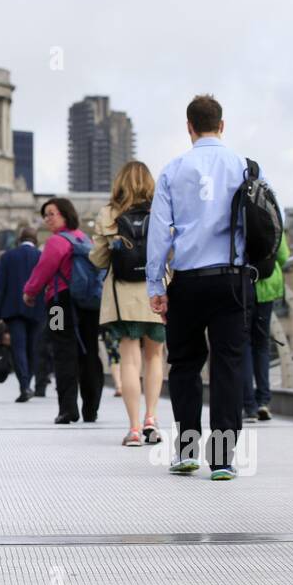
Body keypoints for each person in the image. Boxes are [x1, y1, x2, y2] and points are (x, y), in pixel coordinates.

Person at [147, 95, 263, 480]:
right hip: (233, 279)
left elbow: (159, 234)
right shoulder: (247, 168)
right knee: (228, 365)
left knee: (184, 364)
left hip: (188, 282)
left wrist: (155, 285)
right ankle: (223, 458)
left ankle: (185, 450)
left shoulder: (173, 170)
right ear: (222, 125)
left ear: (189, 127)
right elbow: (265, 222)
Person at [91, 162, 167, 447]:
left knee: (129, 360)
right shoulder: (160, 210)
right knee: (154, 357)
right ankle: (151, 418)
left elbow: (98, 259)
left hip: (122, 294)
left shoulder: (109, 214)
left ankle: (134, 428)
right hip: (156, 292)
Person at [23, 197, 104, 425]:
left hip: (59, 303)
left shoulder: (56, 242)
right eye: (45, 215)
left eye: (51, 214)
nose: (47, 219)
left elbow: (43, 271)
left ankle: (68, 409)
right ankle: (91, 408)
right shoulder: (83, 238)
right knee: (89, 351)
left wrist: (29, 292)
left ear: (65, 214)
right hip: (88, 304)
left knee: (62, 351)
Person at [0, 227, 45, 402]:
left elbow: (0, 288)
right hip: (38, 309)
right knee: (33, 349)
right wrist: (55, 318)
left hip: (14, 310)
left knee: (19, 348)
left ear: (19, 240)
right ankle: (28, 382)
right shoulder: (42, 256)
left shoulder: (7, 257)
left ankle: (24, 386)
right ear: (35, 240)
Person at [242, 232, 289, 421]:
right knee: (261, 346)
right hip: (267, 287)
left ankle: (249, 406)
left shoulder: (236, 211)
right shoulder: (270, 213)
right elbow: (283, 255)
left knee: (243, 345)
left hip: (242, 287)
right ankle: (263, 401)